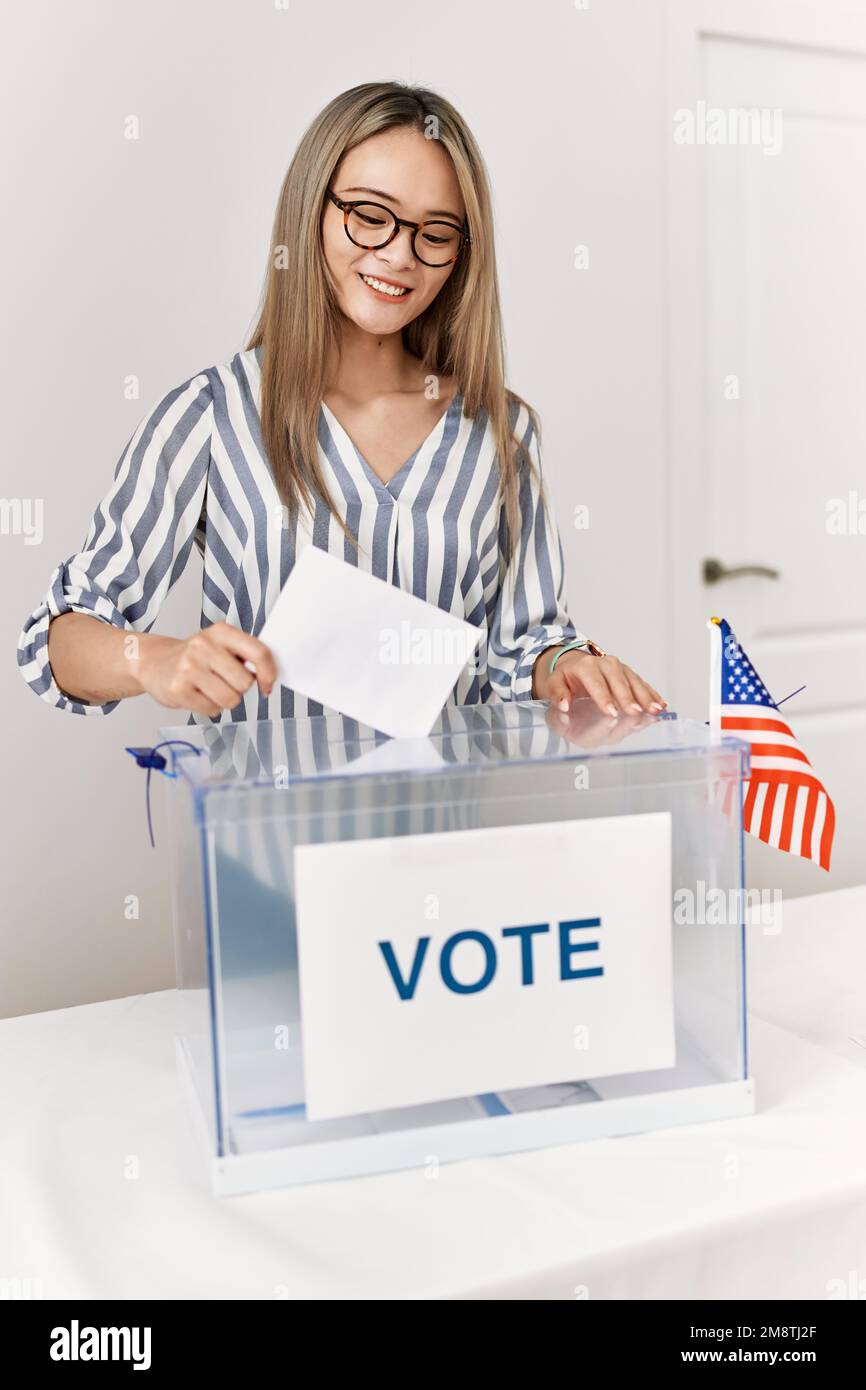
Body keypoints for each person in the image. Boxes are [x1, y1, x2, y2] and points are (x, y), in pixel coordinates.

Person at [18, 81, 666, 726]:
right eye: (369, 214)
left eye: (435, 233)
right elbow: (56, 642)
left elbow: (526, 646)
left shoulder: (500, 431)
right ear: (313, 208)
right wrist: (153, 659)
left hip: (445, 822)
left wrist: (569, 665)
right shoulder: (212, 415)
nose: (398, 255)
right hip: (260, 824)